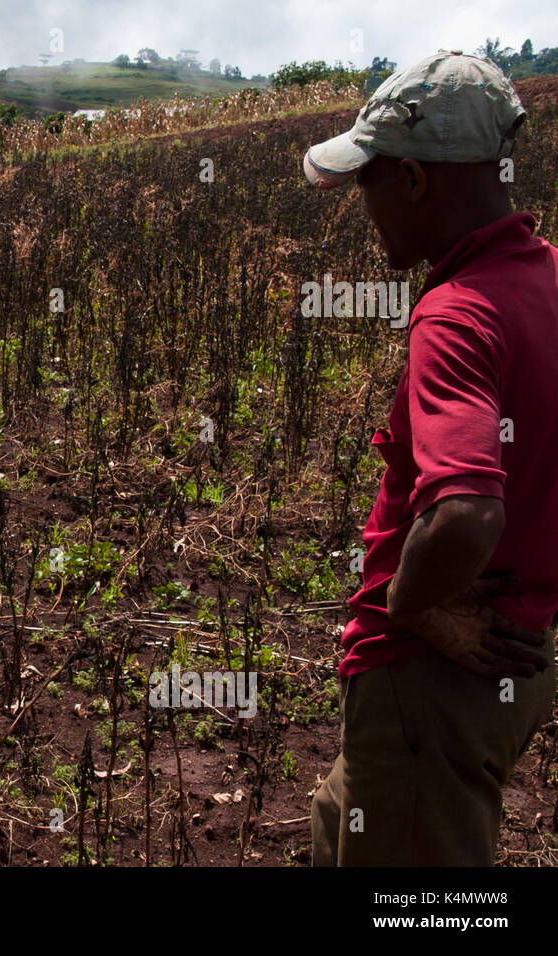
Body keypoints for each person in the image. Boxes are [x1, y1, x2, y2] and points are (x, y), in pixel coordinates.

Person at [303, 50, 558, 865]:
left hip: (431, 678)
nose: (364, 206)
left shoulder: (456, 317)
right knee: (339, 824)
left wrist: (410, 606)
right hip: (505, 666)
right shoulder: (549, 281)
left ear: (414, 179)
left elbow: (466, 512)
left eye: (370, 181)